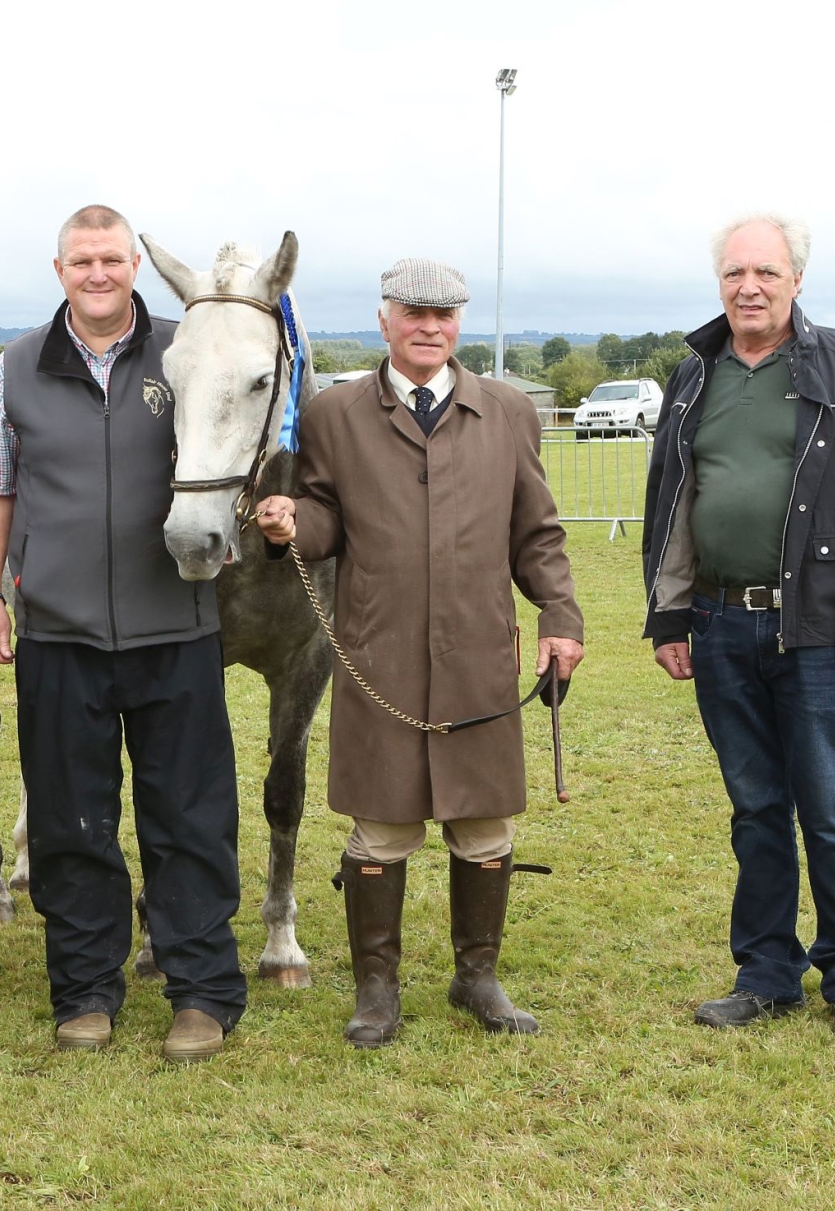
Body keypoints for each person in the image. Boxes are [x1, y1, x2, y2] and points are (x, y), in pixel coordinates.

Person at [255, 257, 583, 1047]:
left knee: (483, 826)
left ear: (459, 324)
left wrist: (560, 613)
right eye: (413, 314)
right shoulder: (334, 415)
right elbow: (329, 523)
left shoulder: (506, 411)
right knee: (383, 828)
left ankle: (478, 976)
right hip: (380, 654)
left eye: (444, 315)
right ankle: (377, 989)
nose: (429, 328)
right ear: (385, 320)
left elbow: (534, 531)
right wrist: (293, 521)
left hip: (477, 655)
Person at [0, 205, 246, 1063]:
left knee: (190, 815)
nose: (98, 273)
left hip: (178, 623)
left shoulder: (184, 349)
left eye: (113, 259)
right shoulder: (16, 367)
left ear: (135, 266)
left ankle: (200, 990)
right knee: (69, 820)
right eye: (82, 260)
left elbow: (239, 427)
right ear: (59, 270)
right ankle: (86, 989)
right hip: (60, 630)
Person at [641, 213, 835, 1041]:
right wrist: (670, 615)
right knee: (756, 806)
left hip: (821, 633)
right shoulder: (695, 374)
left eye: (765, 272)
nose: (748, 287)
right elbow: (671, 503)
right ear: (719, 283)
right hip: (720, 623)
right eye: (734, 274)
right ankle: (765, 973)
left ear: (797, 278)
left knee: (828, 803)